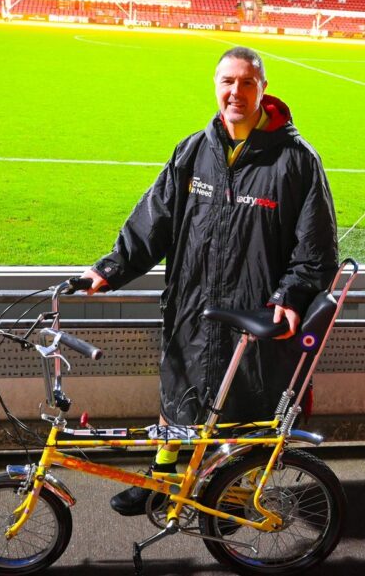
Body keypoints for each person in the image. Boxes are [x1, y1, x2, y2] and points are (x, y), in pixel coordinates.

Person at [81, 46, 338, 516]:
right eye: (227, 81)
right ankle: (160, 481)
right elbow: (154, 221)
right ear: (216, 86)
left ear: (263, 88)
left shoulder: (297, 161)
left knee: (246, 407)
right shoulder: (193, 151)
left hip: (255, 309)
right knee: (177, 395)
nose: (236, 91)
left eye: (246, 82)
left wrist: (293, 293)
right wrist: (111, 268)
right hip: (193, 303)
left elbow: (317, 247)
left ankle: (237, 494)